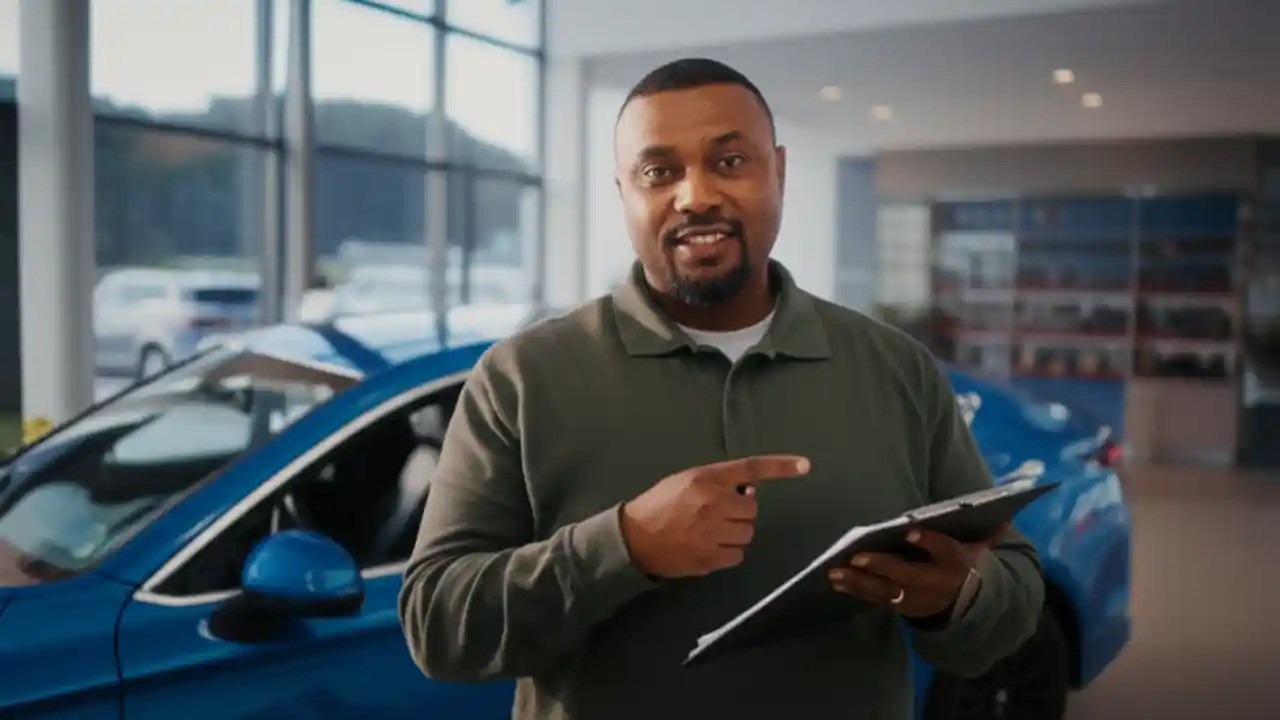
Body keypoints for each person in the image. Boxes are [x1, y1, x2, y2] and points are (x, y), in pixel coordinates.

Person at [398, 57, 1044, 719]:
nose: (695, 195)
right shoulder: (521, 375)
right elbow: (437, 625)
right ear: (623, 191)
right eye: (659, 172)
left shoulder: (896, 367)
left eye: (730, 162)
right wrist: (622, 546)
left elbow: (1016, 593)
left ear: (779, 172)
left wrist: (955, 600)